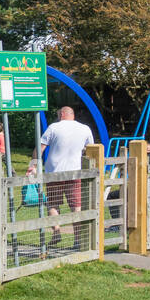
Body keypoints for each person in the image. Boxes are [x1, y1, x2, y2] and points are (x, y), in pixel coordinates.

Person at [26, 106, 95, 247]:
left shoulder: (53, 127)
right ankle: (77, 239)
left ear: (62, 114)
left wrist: (33, 165)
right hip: (75, 173)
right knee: (76, 207)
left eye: (58, 114)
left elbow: (40, 149)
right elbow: (92, 150)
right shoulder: (85, 129)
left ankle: (56, 232)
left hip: (54, 173)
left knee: (53, 204)